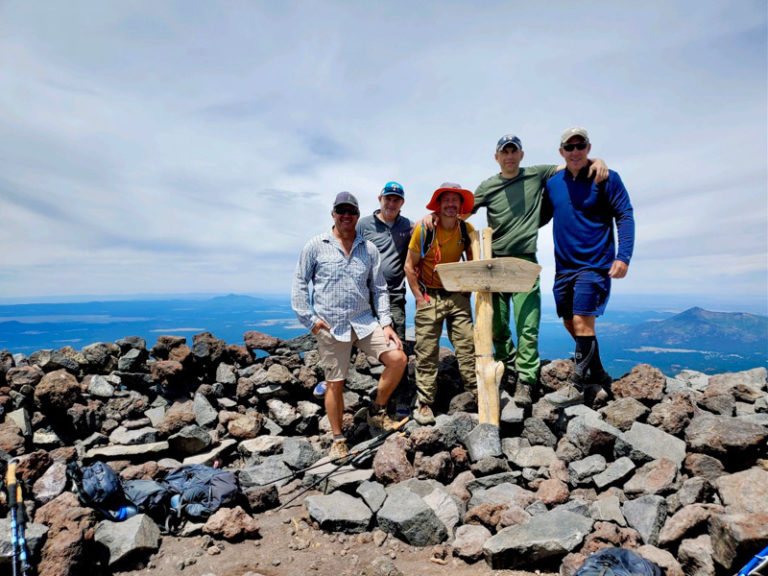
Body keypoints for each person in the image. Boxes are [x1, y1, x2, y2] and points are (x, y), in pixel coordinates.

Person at [471, 134, 608, 408]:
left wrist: (596, 160)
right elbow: (461, 211)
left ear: (521, 155)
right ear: (496, 157)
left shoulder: (536, 174)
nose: (509, 156)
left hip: (524, 261)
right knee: (496, 325)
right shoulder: (488, 186)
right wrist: (433, 217)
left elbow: (571, 164)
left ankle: (527, 380)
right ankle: (508, 367)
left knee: (527, 325)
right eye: (504, 152)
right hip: (494, 262)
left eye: (514, 151)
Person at [291, 192, 408, 459]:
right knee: (335, 383)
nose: (346, 216)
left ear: (357, 216)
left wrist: (386, 324)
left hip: (365, 322)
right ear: (333, 214)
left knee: (398, 359)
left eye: (351, 212)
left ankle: (377, 412)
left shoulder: (368, 249)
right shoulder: (316, 245)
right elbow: (299, 282)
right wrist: (309, 320)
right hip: (331, 326)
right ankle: (338, 438)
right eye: (341, 211)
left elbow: (379, 289)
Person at [542, 127, 635, 407]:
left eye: (580, 146)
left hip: (595, 264)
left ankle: (577, 385)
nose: (575, 151)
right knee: (570, 322)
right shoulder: (554, 183)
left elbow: (625, 215)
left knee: (583, 321)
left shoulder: (606, 178)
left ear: (588, 147)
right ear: (562, 152)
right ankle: (598, 372)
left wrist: (624, 256)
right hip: (564, 266)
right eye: (569, 148)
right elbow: (541, 215)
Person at [404, 183, 476, 425]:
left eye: (455, 201)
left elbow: (473, 263)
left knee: (467, 345)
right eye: (446, 201)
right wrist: (418, 296)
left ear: (461, 206)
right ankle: (424, 403)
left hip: (456, 294)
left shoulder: (466, 230)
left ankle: (476, 394)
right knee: (426, 351)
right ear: (438, 205)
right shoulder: (425, 230)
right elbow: (409, 265)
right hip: (429, 294)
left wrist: (466, 291)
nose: (451, 205)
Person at [356, 181, 414, 416]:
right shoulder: (364, 225)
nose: (391, 203)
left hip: (393, 295)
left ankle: (399, 398)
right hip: (363, 294)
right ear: (380, 199)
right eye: (388, 198)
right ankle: (331, 383)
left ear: (402, 202)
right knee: (345, 337)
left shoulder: (407, 226)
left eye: (396, 199)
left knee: (397, 343)